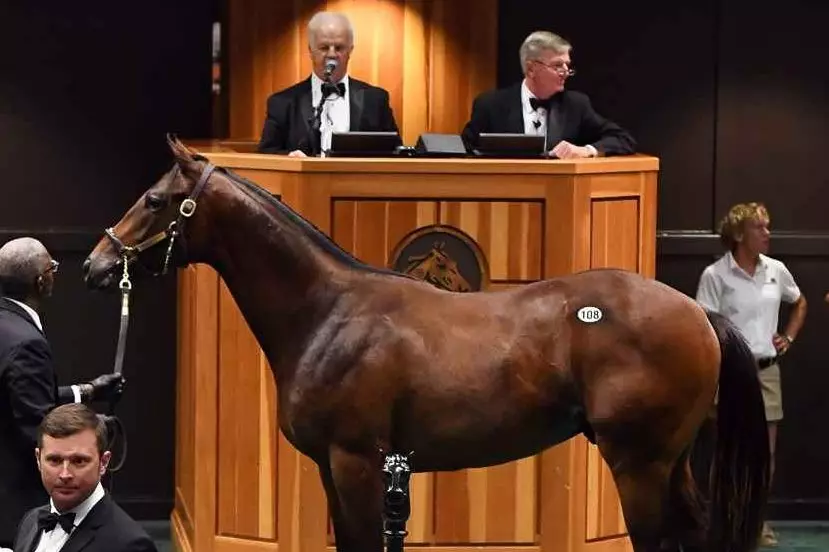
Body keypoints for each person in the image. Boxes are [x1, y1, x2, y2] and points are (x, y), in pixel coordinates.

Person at [695, 202, 807, 547]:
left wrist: (787, 336)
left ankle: (756, 522)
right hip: (728, 374)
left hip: (766, 371)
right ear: (740, 234)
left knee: (764, 454)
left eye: (767, 226)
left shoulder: (776, 270)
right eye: (760, 227)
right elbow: (703, 322)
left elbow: (799, 301)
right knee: (727, 450)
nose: (767, 234)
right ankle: (723, 520)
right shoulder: (716, 275)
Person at [0, 237, 124, 547]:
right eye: (52, 268)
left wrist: (88, 390)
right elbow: (37, 423)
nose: (54, 274)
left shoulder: (8, 326)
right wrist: (95, 427)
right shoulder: (27, 342)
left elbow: (22, 397)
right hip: (14, 495)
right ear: (41, 282)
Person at [461, 31, 636, 158]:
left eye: (567, 65)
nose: (565, 72)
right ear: (531, 69)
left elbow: (623, 139)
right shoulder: (490, 105)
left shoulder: (576, 105)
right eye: (557, 65)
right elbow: (463, 149)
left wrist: (586, 150)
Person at [12, 404, 157, 552]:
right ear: (38, 459)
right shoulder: (30, 520)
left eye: (79, 461)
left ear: (103, 462)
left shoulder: (131, 545)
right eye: (54, 460)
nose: (65, 474)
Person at [257, 11, 399, 157]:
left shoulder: (376, 100)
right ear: (311, 51)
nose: (332, 54)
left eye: (339, 48)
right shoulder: (281, 103)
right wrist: (290, 158)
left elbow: (396, 154)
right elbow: (266, 154)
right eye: (324, 48)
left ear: (350, 51)